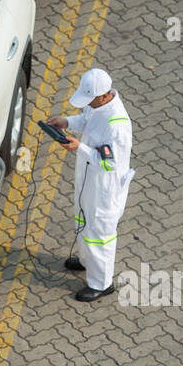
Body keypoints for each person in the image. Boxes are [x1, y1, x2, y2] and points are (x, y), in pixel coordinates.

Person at [49, 67, 135, 302]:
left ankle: (101, 283)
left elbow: (108, 164)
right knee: (83, 221)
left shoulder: (116, 125)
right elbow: (85, 118)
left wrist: (80, 148)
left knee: (99, 234)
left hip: (104, 189)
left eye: (91, 100)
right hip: (89, 180)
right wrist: (65, 122)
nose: (88, 104)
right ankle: (87, 261)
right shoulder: (97, 105)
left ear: (104, 96)